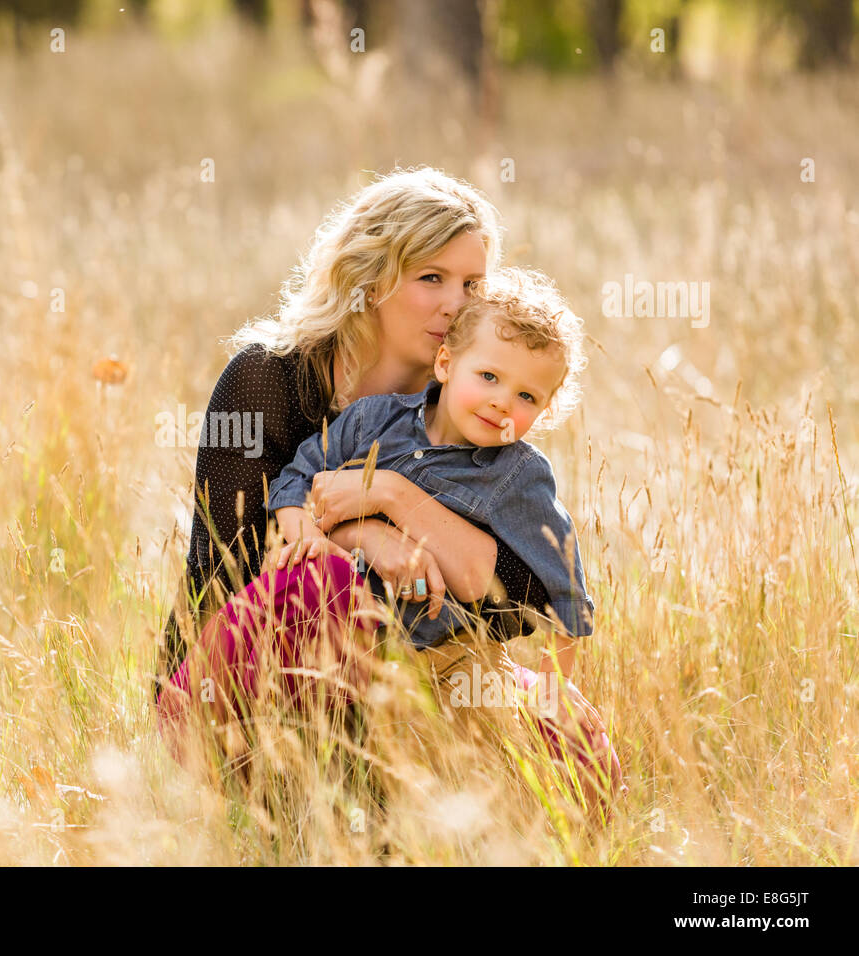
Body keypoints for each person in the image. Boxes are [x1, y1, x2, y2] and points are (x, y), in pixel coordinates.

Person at [155, 166, 550, 711]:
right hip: (236, 686)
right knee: (326, 581)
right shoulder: (266, 380)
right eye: (431, 278)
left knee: (574, 734)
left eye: (472, 285)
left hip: (413, 683)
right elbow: (231, 565)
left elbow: (521, 604)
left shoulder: (469, 406)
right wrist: (363, 538)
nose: (456, 305)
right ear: (370, 278)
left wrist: (393, 494)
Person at [266, 267, 623, 800]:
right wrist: (310, 540)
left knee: (447, 797)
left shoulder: (519, 475)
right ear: (446, 363)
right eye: (489, 377)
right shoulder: (370, 423)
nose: (504, 402)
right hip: (341, 649)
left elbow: (565, 594)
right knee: (340, 774)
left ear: (544, 410)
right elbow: (297, 482)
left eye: (527, 396)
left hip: (450, 662)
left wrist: (556, 690)